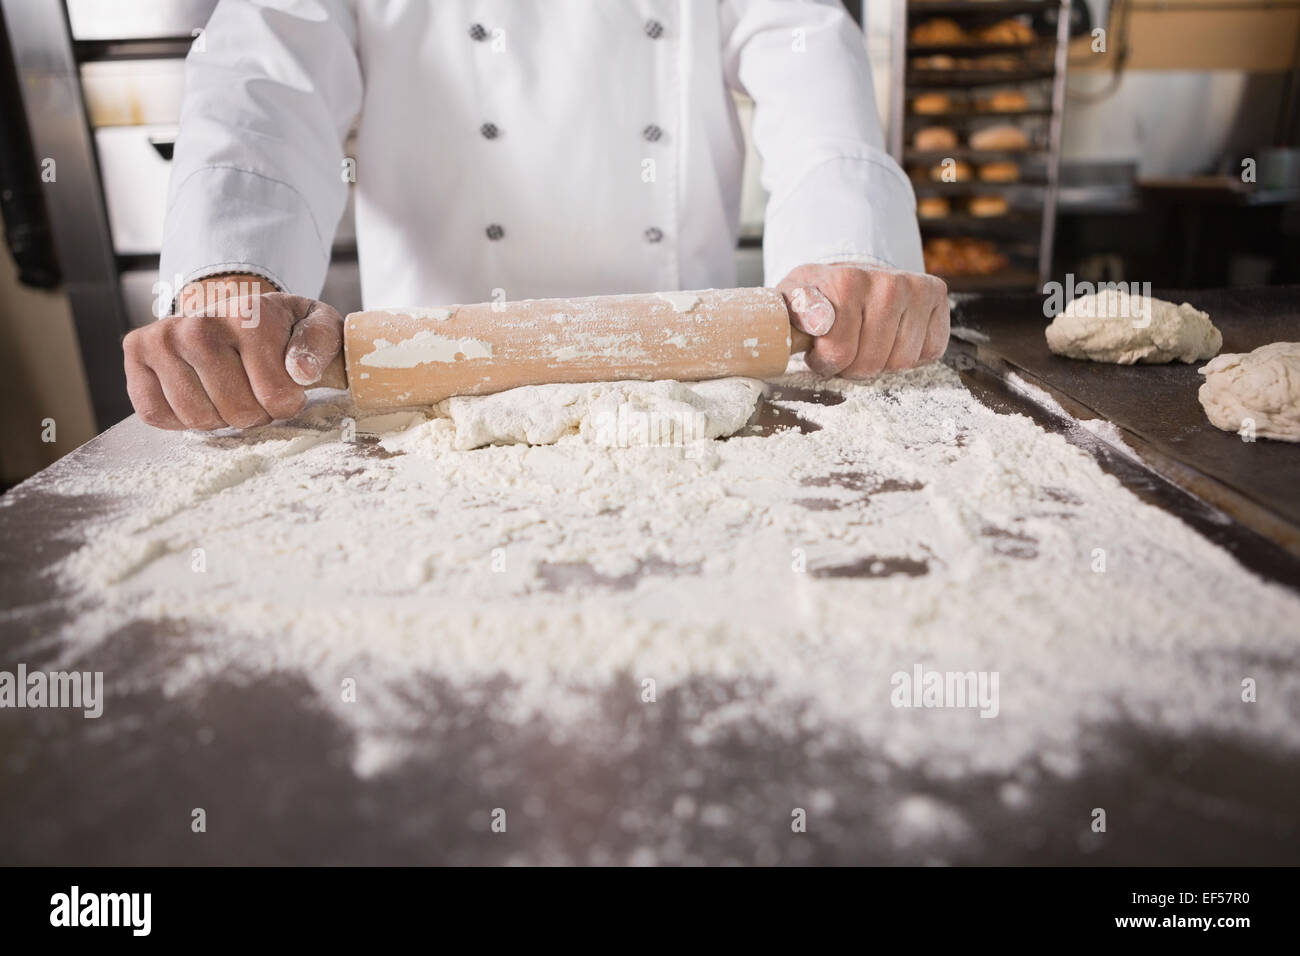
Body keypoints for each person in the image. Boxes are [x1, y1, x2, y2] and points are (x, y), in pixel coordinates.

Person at [124, 0, 948, 430]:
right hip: (422, 386)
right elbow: (266, 72)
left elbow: (804, 44)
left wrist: (849, 245)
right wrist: (233, 271)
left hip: (691, 384)